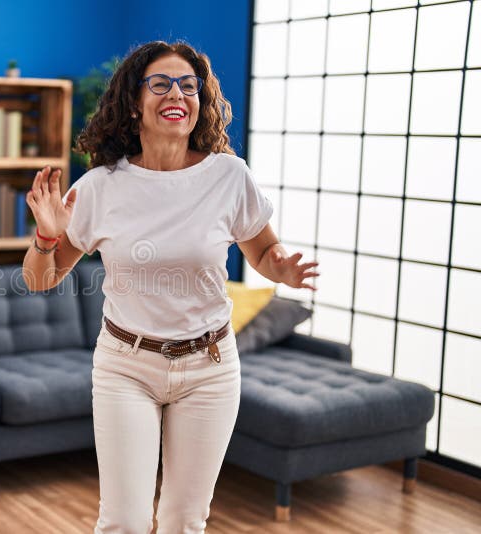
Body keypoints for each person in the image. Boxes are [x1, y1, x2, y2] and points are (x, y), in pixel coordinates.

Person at [22, 40, 318, 534]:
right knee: (125, 522)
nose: (176, 93)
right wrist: (47, 238)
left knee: (185, 521)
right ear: (134, 103)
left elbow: (265, 251)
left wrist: (281, 268)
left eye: (188, 85)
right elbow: (39, 278)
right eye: (160, 84)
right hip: (126, 366)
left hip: (210, 367)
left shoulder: (229, 176)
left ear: (200, 101)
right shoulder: (100, 186)